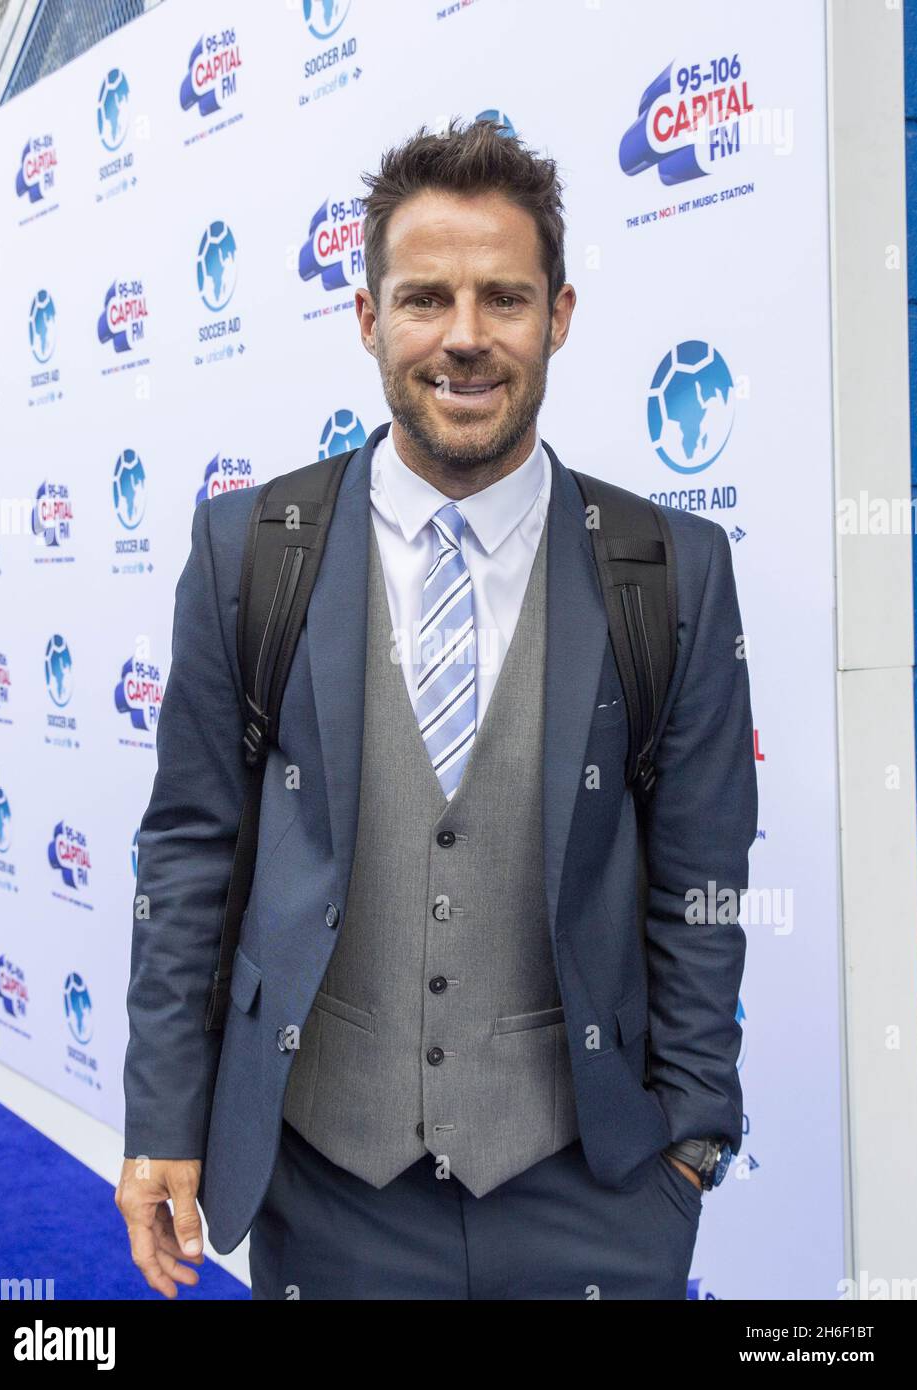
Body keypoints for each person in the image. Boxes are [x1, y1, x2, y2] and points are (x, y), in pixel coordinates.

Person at [116, 117, 757, 1300]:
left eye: (504, 298)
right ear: (369, 320)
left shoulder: (672, 568)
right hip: (329, 1188)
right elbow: (190, 854)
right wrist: (163, 1116)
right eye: (425, 299)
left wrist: (691, 1142)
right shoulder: (250, 554)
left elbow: (702, 875)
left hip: (599, 1195)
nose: (464, 339)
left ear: (558, 317)